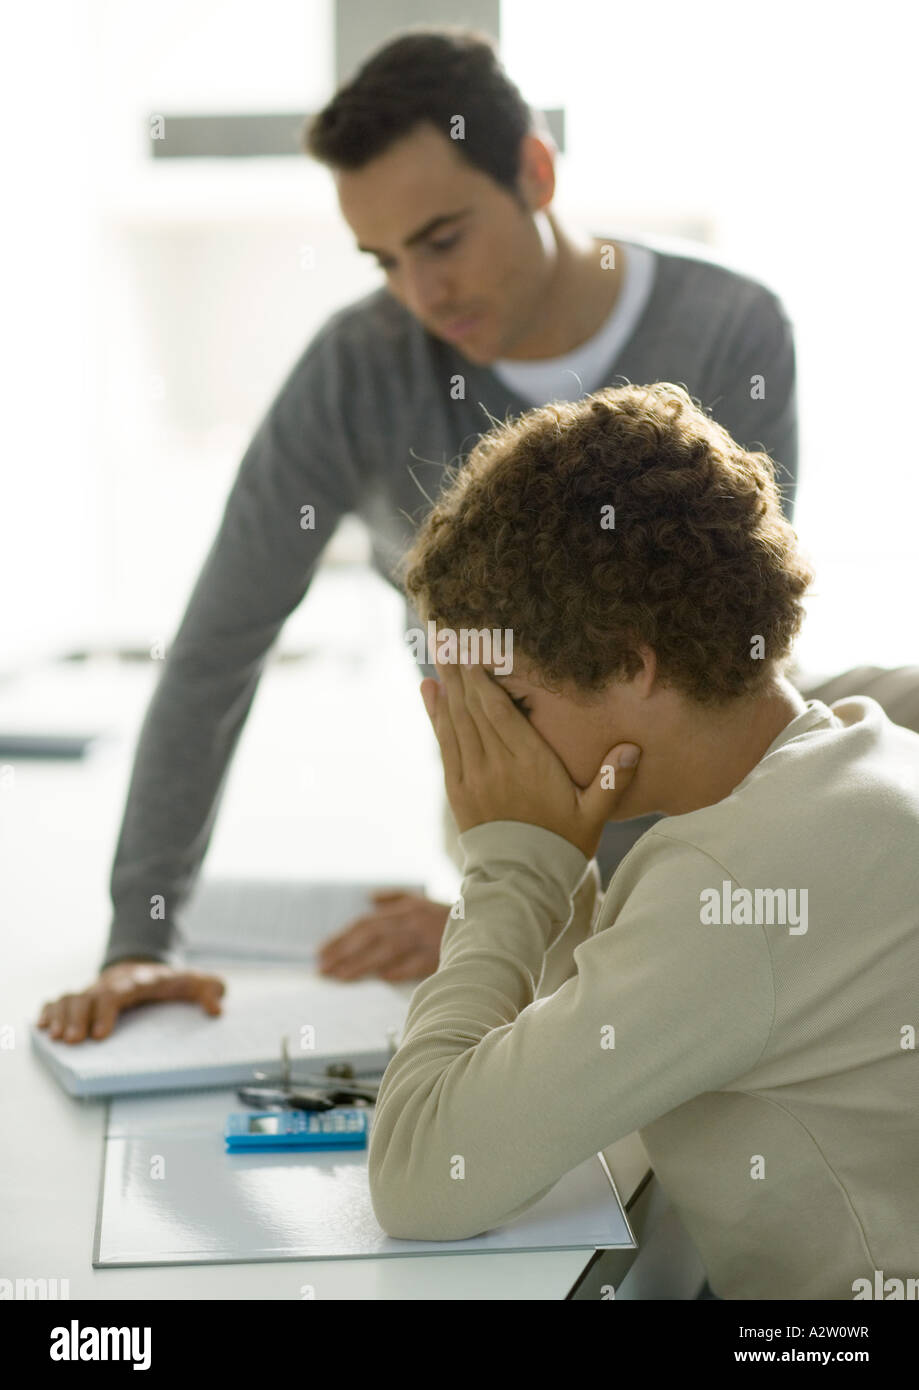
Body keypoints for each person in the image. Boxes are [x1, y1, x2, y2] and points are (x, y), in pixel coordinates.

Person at [34, 27, 910, 1045]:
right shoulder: (356, 369)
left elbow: (727, 658)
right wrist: (140, 936)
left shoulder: (728, 326)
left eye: (442, 239)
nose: (421, 292)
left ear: (534, 171)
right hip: (513, 829)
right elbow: (217, 648)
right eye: (384, 259)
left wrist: (530, 924)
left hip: (699, 816)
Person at [365, 381, 919, 1300]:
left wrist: (509, 867)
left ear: (630, 661)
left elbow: (422, 1174)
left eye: (510, 705)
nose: (483, 745)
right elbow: (586, 1021)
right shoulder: (853, 750)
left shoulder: (734, 879)